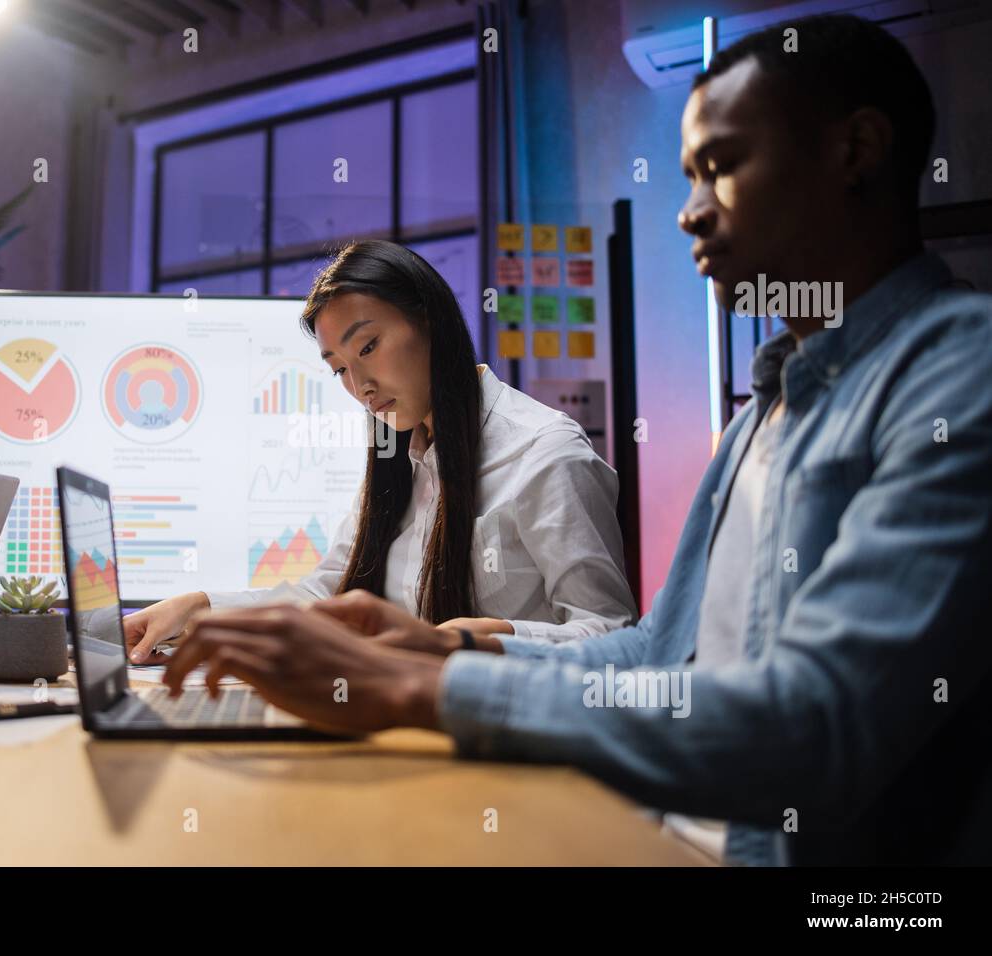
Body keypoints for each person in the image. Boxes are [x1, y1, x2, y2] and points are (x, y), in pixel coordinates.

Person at [160, 15, 992, 866]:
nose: (690, 214)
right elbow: (657, 652)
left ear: (857, 150)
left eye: (721, 168)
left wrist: (427, 683)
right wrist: (452, 647)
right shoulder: (761, 415)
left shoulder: (960, 373)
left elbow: (816, 721)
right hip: (660, 826)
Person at [124, 239, 636, 664]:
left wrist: (490, 639)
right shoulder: (399, 458)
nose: (361, 386)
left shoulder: (546, 454)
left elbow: (613, 638)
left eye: (368, 347)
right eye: (340, 368)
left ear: (430, 323)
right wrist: (199, 607)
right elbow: (329, 593)